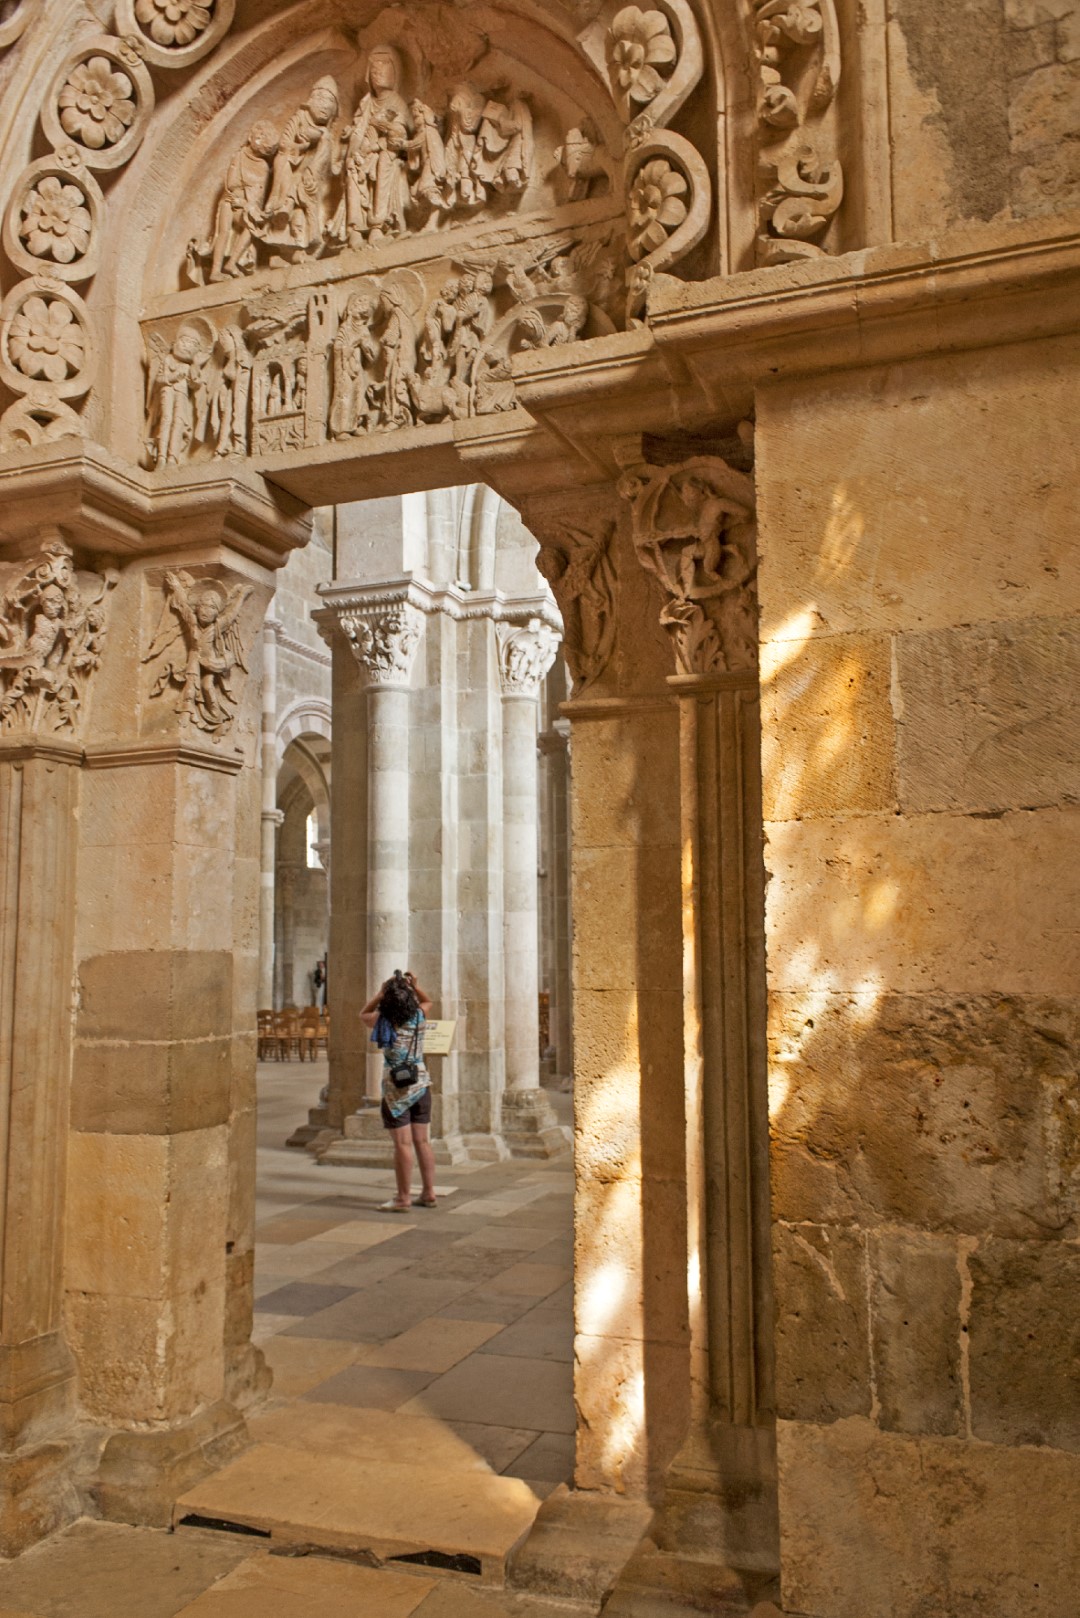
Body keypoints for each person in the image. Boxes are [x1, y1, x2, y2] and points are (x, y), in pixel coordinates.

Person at [361, 968, 435, 1211]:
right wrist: (414, 986)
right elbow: (428, 1001)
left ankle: (403, 1198)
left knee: (403, 1145)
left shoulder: (381, 1021)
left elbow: (363, 1013)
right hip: (421, 1084)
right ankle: (428, 1192)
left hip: (396, 1090)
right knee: (422, 1141)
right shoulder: (419, 1018)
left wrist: (381, 994)